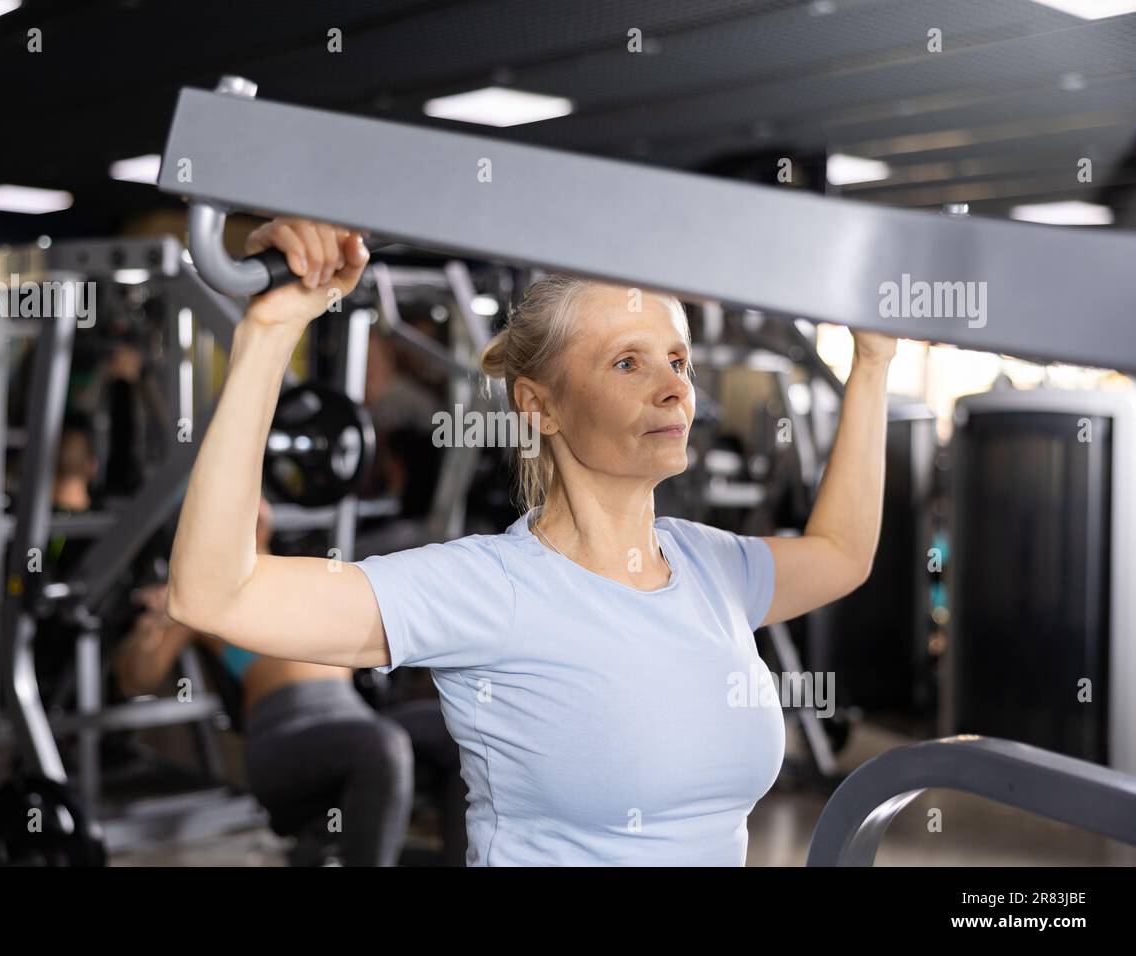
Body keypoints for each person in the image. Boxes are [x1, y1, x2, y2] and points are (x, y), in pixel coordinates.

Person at [167, 218, 896, 866]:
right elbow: (214, 593)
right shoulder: (489, 590)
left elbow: (841, 551)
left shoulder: (715, 568)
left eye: (678, 360)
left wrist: (872, 363)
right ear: (538, 403)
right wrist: (270, 332)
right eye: (627, 362)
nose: (674, 388)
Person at [117, 498, 468, 867]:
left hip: (356, 721)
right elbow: (136, 680)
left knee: (454, 728)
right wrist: (155, 622)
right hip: (286, 737)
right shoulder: (207, 594)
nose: (251, 501)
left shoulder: (304, 572)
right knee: (383, 743)